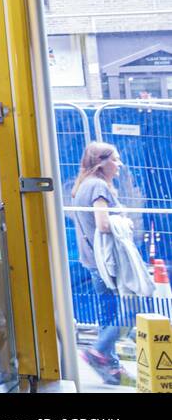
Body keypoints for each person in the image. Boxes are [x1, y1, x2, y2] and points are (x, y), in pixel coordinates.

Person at [69, 141, 126, 385]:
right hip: (106, 262)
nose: (119, 165)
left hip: (94, 261)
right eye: (115, 160)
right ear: (101, 163)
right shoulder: (98, 186)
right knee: (130, 311)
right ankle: (98, 351)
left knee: (108, 313)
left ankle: (109, 366)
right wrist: (124, 222)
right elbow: (103, 224)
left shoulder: (84, 185)